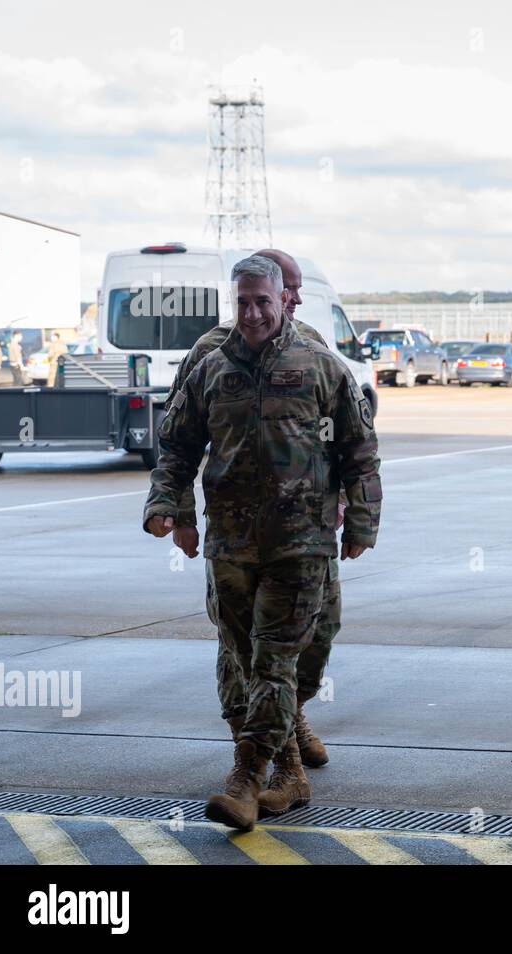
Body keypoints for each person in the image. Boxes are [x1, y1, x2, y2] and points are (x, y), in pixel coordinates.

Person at [143, 255, 381, 831]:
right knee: (243, 660)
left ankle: (248, 777)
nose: (255, 312)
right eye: (243, 302)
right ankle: (285, 769)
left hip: (303, 541)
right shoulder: (210, 364)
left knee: (283, 657)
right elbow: (176, 445)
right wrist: (170, 510)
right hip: (231, 543)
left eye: (266, 301)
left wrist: (362, 521)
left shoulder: (319, 362)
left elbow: (358, 446)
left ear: (282, 299)